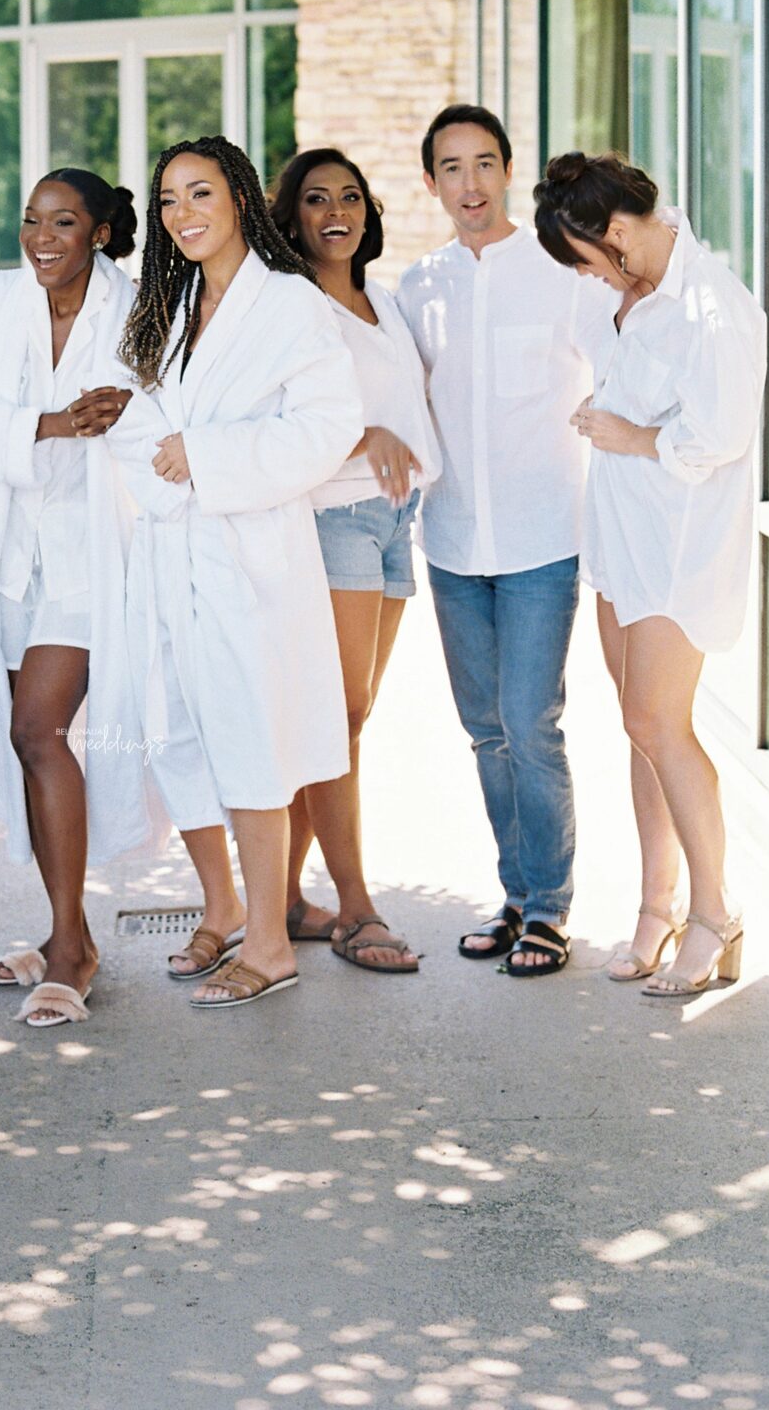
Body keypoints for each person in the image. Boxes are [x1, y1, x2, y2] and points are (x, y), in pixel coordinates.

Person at [109, 136, 362, 1009]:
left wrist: (206, 457)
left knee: (253, 745)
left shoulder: (289, 305)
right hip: (174, 552)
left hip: (249, 560)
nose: (183, 215)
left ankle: (268, 941)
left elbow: (328, 427)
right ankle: (225, 908)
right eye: (169, 201)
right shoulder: (173, 310)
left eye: (200, 193)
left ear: (242, 198)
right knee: (183, 734)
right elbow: (139, 424)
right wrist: (161, 460)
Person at [0, 169, 162, 1027]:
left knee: (38, 727)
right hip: (5, 553)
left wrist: (124, 412)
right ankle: (61, 926)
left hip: (94, 551)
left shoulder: (139, 307)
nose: (42, 237)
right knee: (29, 744)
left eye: (64, 222)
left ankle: (72, 947)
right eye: (31, 219)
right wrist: (55, 422)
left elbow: (165, 411)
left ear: (100, 233)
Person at [533, 152, 766, 997]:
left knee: (659, 721)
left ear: (621, 232)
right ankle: (656, 906)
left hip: (681, 542)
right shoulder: (623, 300)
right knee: (640, 728)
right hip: (622, 535)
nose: (590, 279)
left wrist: (627, 434)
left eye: (590, 259)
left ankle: (715, 912)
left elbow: (721, 435)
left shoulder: (714, 307)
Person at [396, 105, 614, 978]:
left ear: (508, 170)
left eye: (485, 163)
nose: (471, 184)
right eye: (452, 168)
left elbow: (625, 360)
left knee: (532, 725)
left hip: (539, 540)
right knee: (486, 731)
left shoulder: (562, 275)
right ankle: (518, 896)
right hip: (451, 542)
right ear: (432, 184)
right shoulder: (418, 287)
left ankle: (552, 907)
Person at [268, 148, 443, 975]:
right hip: (331, 514)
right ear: (290, 216)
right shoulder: (289, 305)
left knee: (346, 719)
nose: (336, 211)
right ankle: (357, 908)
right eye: (314, 199)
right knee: (332, 721)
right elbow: (271, 414)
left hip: (393, 520)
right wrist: (361, 436)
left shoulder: (385, 301)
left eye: (349, 197)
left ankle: (288, 899)